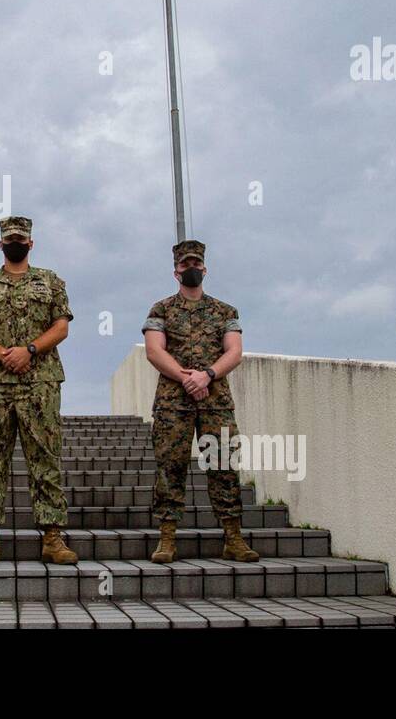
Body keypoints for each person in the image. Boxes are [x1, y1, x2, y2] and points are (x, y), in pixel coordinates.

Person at [0, 215, 77, 565]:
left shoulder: (50, 281)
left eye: (21, 238)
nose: (15, 242)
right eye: (9, 238)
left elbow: (61, 326)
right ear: (0, 244)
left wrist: (29, 350)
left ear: (31, 243)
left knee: (45, 459)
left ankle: (53, 537)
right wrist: (2, 354)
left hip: (40, 384)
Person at [142, 238, 259, 563]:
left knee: (223, 466)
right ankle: (167, 540)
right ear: (175, 272)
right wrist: (186, 378)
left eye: (195, 264)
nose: (190, 269)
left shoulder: (225, 311)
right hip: (172, 403)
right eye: (184, 265)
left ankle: (233, 538)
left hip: (215, 400)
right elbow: (154, 350)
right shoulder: (161, 309)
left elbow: (234, 351)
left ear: (204, 268)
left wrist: (206, 375)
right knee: (170, 467)